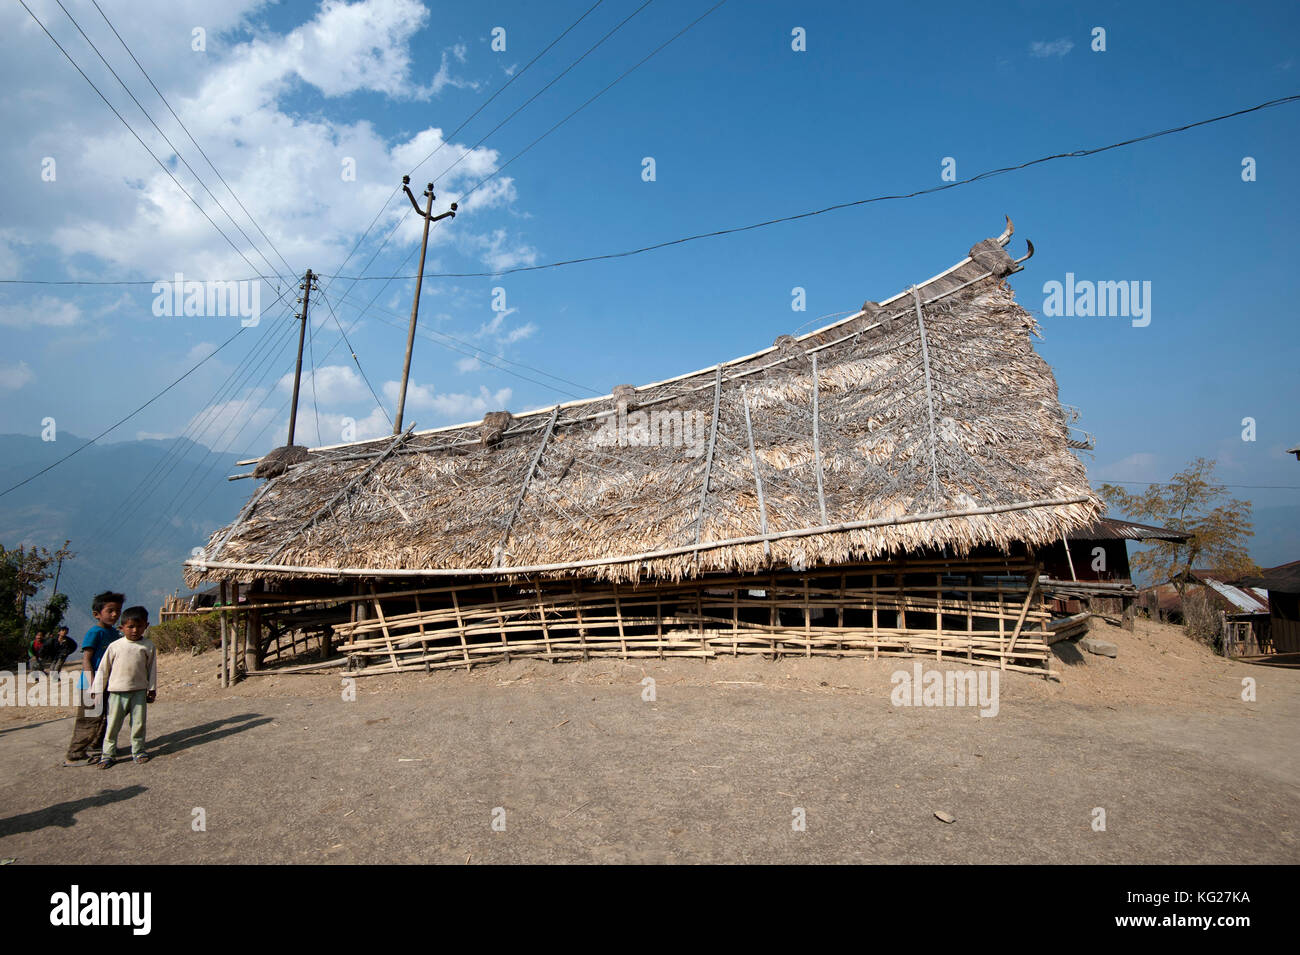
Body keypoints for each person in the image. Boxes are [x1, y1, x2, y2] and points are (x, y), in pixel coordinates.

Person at [63, 591, 124, 766]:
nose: (115, 614)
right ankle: (75, 754)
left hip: (107, 683)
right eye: (110, 610)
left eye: (118, 610)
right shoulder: (95, 633)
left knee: (106, 716)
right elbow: (87, 659)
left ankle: (97, 746)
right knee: (88, 720)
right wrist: (92, 684)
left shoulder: (113, 633)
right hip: (92, 684)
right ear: (97, 614)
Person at [93, 606, 157, 768]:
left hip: (139, 691)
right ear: (121, 628)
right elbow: (103, 669)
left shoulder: (148, 646)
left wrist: (152, 688)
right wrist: (97, 689)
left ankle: (138, 750)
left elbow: (152, 669)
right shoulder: (115, 646)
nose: (135, 630)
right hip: (116, 692)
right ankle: (108, 754)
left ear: (146, 626)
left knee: (138, 723)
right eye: (130, 627)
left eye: (139, 626)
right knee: (113, 724)